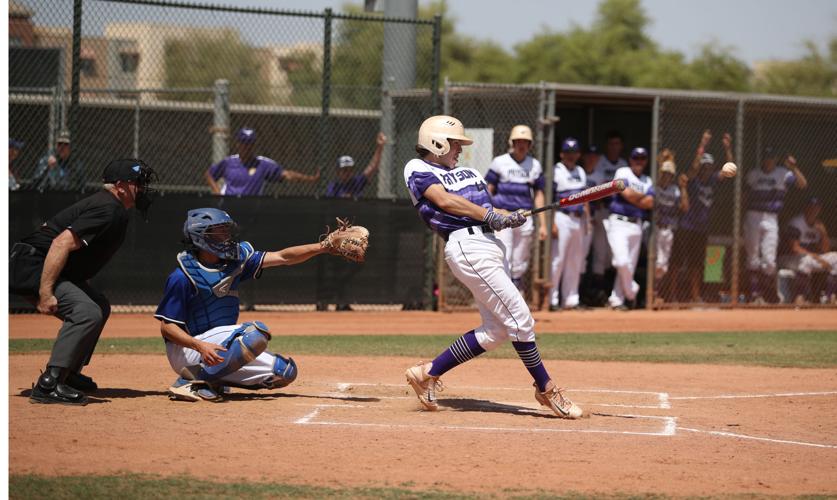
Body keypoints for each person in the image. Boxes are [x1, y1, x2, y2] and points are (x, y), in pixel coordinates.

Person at [402, 115, 584, 419]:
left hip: (492, 245)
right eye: (455, 144)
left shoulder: (470, 172)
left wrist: (508, 215)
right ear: (437, 142)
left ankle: (427, 373)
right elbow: (444, 201)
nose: (460, 150)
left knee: (496, 330)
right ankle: (546, 388)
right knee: (521, 319)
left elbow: (487, 210)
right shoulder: (417, 168)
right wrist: (489, 216)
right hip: (467, 247)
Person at [9, 159, 157, 405]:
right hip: (33, 266)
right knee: (86, 311)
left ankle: (68, 372)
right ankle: (50, 383)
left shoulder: (112, 207)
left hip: (43, 264)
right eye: (138, 183)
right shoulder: (108, 208)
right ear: (121, 186)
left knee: (99, 305)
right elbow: (60, 243)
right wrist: (45, 293)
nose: (142, 189)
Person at [155, 208, 338, 401]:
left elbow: (283, 257)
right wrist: (200, 346)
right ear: (201, 236)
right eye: (219, 230)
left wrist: (323, 247)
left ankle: (214, 378)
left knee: (284, 372)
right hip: (188, 350)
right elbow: (167, 328)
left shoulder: (234, 260)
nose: (226, 236)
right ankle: (191, 380)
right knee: (254, 334)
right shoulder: (182, 277)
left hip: (220, 348)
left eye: (226, 230)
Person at [669, 130, 734, 303]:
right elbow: (693, 167)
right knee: (676, 262)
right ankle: (672, 295)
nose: (706, 169)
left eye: (709, 167)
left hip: (701, 229)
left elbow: (730, 170)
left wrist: (728, 148)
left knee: (696, 264)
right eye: (704, 167)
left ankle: (695, 296)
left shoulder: (712, 180)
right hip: (685, 227)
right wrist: (703, 144)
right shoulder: (692, 180)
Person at [484, 125, 547, 292]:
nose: (521, 145)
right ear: (512, 142)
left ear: (530, 144)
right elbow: (489, 189)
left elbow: (539, 194)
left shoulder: (534, 165)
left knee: (521, 256)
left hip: (525, 215)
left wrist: (543, 224)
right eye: (518, 141)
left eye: (525, 142)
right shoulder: (499, 162)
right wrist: (490, 212)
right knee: (504, 253)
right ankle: (503, 291)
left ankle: (516, 288)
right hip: (503, 215)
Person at [744, 147, 807, 303]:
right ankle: (755, 295)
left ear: (776, 159)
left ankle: (766, 294)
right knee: (752, 256)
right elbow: (744, 194)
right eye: (766, 157)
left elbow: (802, 184)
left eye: (771, 158)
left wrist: (794, 168)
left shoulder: (783, 173)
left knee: (769, 259)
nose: (768, 161)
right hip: (753, 215)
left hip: (771, 217)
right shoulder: (754, 174)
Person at [604, 147, 654, 310]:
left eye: (642, 158)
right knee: (621, 261)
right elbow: (626, 194)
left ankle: (617, 300)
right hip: (618, 222)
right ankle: (632, 291)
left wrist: (635, 196)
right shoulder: (623, 172)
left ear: (646, 161)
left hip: (636, 225)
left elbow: (650, 203)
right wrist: (642, 195)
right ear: (630, 159)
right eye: (635, 158)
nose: (639, 161)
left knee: (629, 267)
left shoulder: (647, 180)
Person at [205, 127, 320, 196]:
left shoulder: (263, 164)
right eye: (244, 143)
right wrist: (217, 192)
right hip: (228, 209)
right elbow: (209, 174)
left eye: (250, 143)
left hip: (251, 211)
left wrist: (310, 179)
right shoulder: (229, 162)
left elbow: (287, 175)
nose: (247, 146)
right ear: (238, 144)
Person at [548, 138, 588, 311]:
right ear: (561, 154)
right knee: (557, 259)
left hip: (578, 219)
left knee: (575, 260)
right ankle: (552, 299)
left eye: (574, 153)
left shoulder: (580, 171)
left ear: (578, 154)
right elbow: (549, 198)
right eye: (567, 153)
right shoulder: (556, 170)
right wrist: (551, 223)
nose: (571, 156)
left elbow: (586, 197)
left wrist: (587, 221)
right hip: (561, 217)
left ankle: (571, 299)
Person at [588, 131, 628, 302]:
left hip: (617, 212)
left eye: (617, 144)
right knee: (600, 252)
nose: (614, 147)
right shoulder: (600, 162)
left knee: (613, 254)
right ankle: (597, 293)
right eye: (611, 144)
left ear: (621, 146)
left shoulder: (623, 165)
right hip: (601, 210)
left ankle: (608, 291)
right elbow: (596, 185)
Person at [652, 150, 689, 303]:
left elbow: (685, 207)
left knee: (663, 264)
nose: (666, 176)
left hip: (668, 230)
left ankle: (655, 292)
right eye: (664, 174)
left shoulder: (675, 190)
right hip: (654, 229)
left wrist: (683, 187)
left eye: (669, 174)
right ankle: (652, 293)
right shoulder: (654, 188)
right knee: (655, 261)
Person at [785, 198, 837, 303]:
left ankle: (830, 296)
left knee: (835, 258)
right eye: (811, 207)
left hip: (813, 258)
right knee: (806, 260)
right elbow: (794, 248)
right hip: (790, 258)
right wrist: (817, 257)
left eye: (817, 207)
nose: (814, 210)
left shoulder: (818, 225)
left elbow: (826, 250)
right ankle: (800, 296)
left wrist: (823, 233)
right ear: (806, 208)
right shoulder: (796, 223)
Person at [324, 132, 387, 199]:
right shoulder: (334, 187)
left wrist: (379, 147)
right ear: (338, 172)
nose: (348, 173)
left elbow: (372, 167)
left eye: (350, 170)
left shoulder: (356, 183)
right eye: (345, 170)